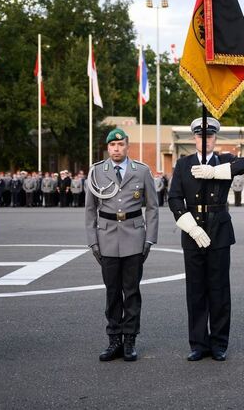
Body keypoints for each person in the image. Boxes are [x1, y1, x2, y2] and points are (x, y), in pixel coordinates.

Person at [168, 117, 244, 362]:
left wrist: (215, 171)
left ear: (215, 138)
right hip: (192, 227)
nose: (205, 141)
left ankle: (219, 343)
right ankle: (198, 343)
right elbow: (174, 198)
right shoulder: (183, 164)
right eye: (200, 136)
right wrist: (191, 227)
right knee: (195, 290)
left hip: (218, 228)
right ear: (193, 138)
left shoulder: (224, 160)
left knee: (218, 289)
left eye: (209, 137)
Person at [85, 128, 158, 362]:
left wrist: (149, 239)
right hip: (106, 238)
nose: (117, 149)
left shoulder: (141, 171)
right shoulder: (96, 172)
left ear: (128, 146)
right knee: (112, 292)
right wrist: (93, 241)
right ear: (108, 148)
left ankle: (129, 340)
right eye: (112, 145)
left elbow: (153, 208)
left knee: (132, 291)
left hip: (134, 237)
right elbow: (89, 210)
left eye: (121, 145)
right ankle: (114, 339)